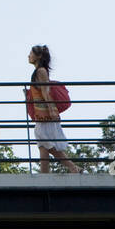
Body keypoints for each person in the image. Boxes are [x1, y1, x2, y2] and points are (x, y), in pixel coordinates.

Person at [26, 45, 80, 173]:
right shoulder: (39, 71)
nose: (28, 56)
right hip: (42, 114)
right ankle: (45, 175)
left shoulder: (41, 71)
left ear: (38, 56)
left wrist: (51, 110)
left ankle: (73, 167)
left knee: (44, 141)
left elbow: (46, 91)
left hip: (46, 114)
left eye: (31, 53)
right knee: (43, 146)